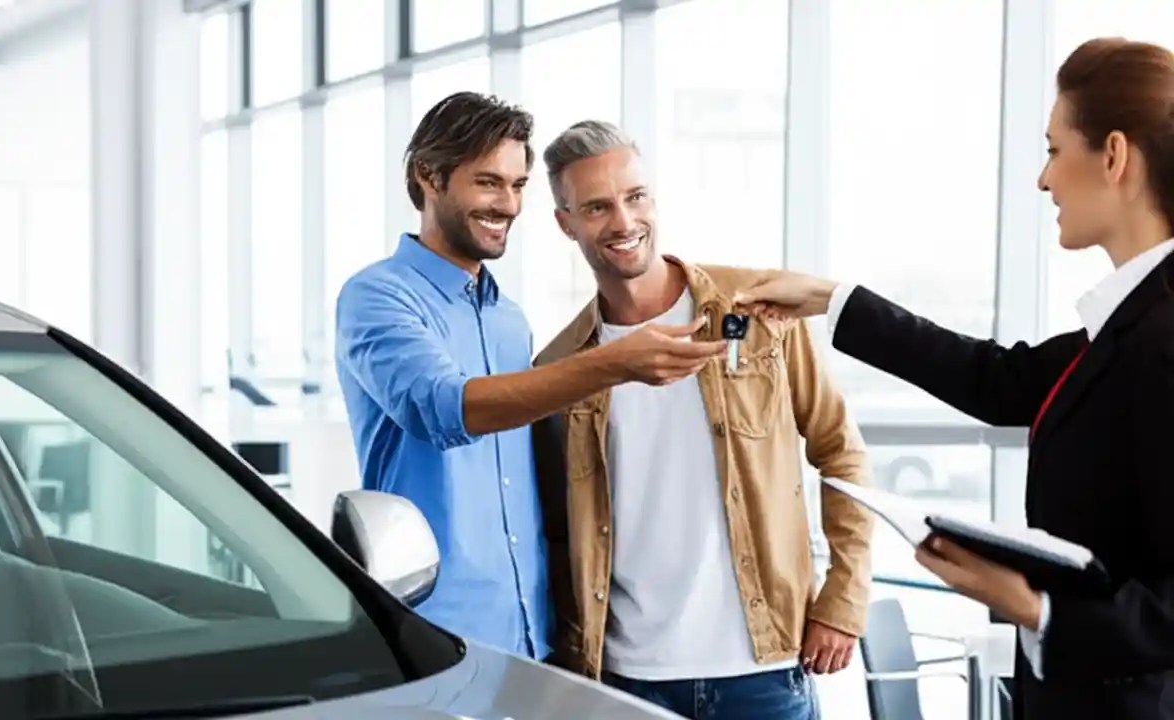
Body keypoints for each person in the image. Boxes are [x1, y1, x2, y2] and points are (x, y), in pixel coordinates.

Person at [736, 37, 1174, 720]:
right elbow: (998, 379)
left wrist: (1032, 606)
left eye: (1055, 150)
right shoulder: (1132, 323)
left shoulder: (1162, 337)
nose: (1043, 179)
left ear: (1113, 155)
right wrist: (832, 298)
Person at [333, 93, 726, 661]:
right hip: (429, 638)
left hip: (532, 639)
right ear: (428, 176)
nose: (509, 204)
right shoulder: (377, 296)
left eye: (518, 186)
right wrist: (614, 363)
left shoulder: (509, 320)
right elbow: (449, 410)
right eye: (489, 183)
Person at [529, 120, 873, 720]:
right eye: (597, 207)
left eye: (635, 197)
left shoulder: (759, 309)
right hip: (626, 679)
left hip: (762, 671)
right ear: (566, 223)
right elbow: (557, 531)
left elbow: (838, 448)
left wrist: (844, 598)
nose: (623, 221)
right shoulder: (561, 367)